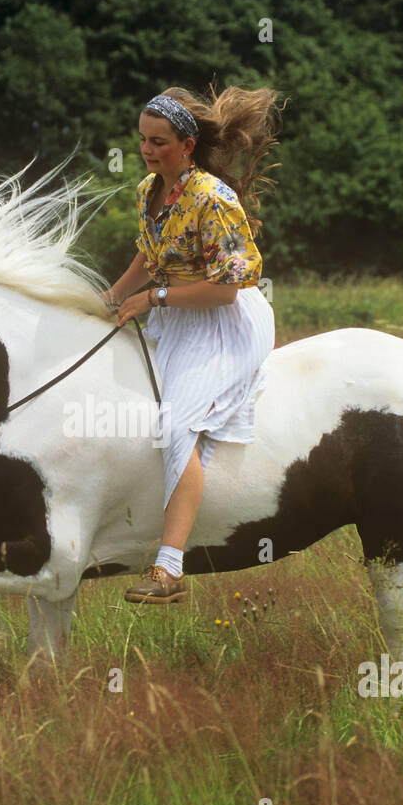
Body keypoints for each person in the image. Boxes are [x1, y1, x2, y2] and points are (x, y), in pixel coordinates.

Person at [101, 86, 281, 604]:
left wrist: (153, 298)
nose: (148, 150)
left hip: (222, 322)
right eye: (142, 140)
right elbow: (147, 251)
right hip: (174, 316)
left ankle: (169, 567)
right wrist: (111, 297)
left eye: (159, 141)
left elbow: (227, 290)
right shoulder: (147, 191)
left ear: (186, 143)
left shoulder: (212, 198)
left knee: (178, 423)